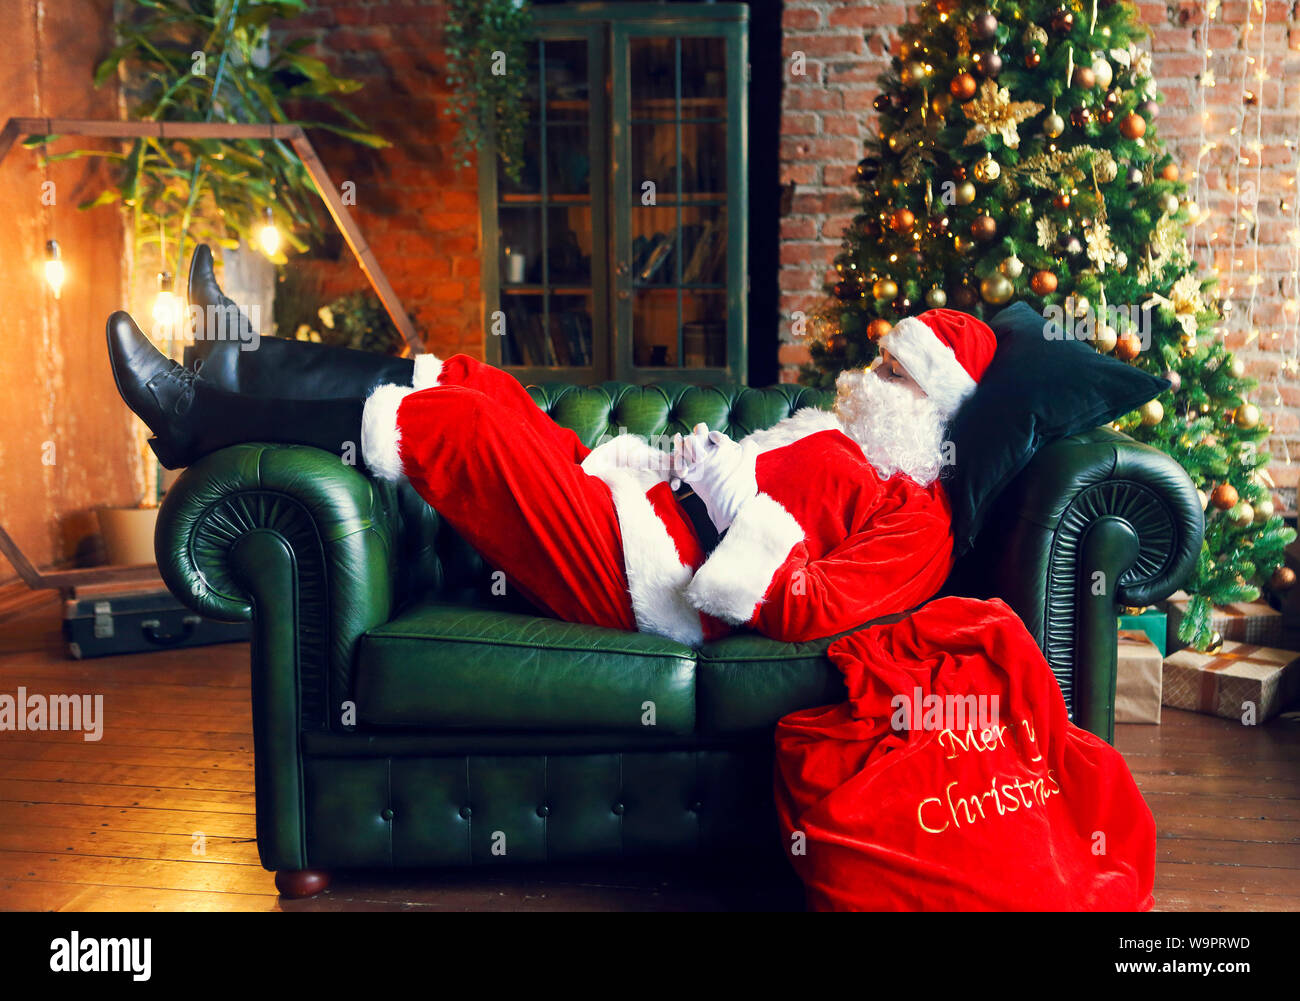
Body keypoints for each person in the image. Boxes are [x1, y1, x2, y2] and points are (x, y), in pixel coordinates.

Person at [107, 246, 996, 647]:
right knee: (477, 382)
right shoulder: (840, 432)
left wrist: (732, 504)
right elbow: (750, 478)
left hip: (646, 576)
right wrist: (690, 461)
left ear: (936, 409)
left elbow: (810, 604)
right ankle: (239, 359)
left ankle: (198, 417)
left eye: (894, 369)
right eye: (881, 355)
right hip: (635, 504)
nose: (868, 371)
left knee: (463, 426)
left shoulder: (917, 520)